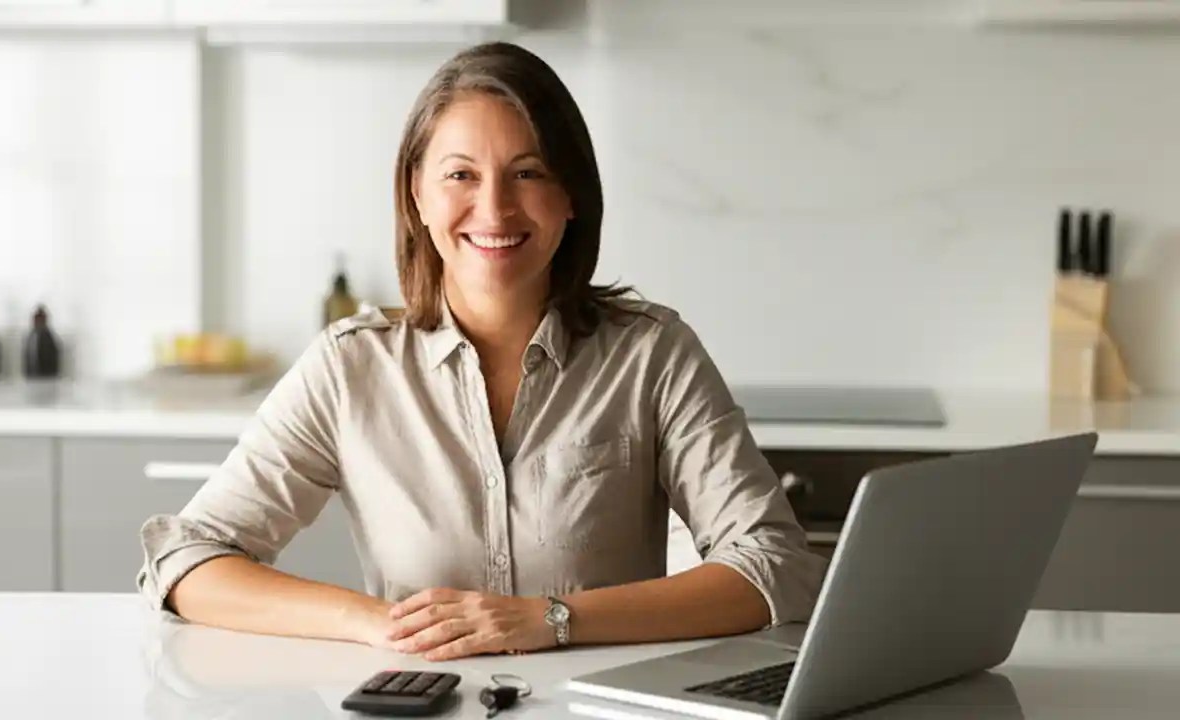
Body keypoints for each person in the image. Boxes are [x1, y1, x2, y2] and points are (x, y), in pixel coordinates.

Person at [137, 41, 825, 662]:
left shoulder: (652, 354)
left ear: (571, 196)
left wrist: (550, 619)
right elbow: (186, 561)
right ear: (417, 194)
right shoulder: (352, 367)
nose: (494, 210)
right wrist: (374, 622)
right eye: (460, 175)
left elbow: (774, 565)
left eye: (527, 173)